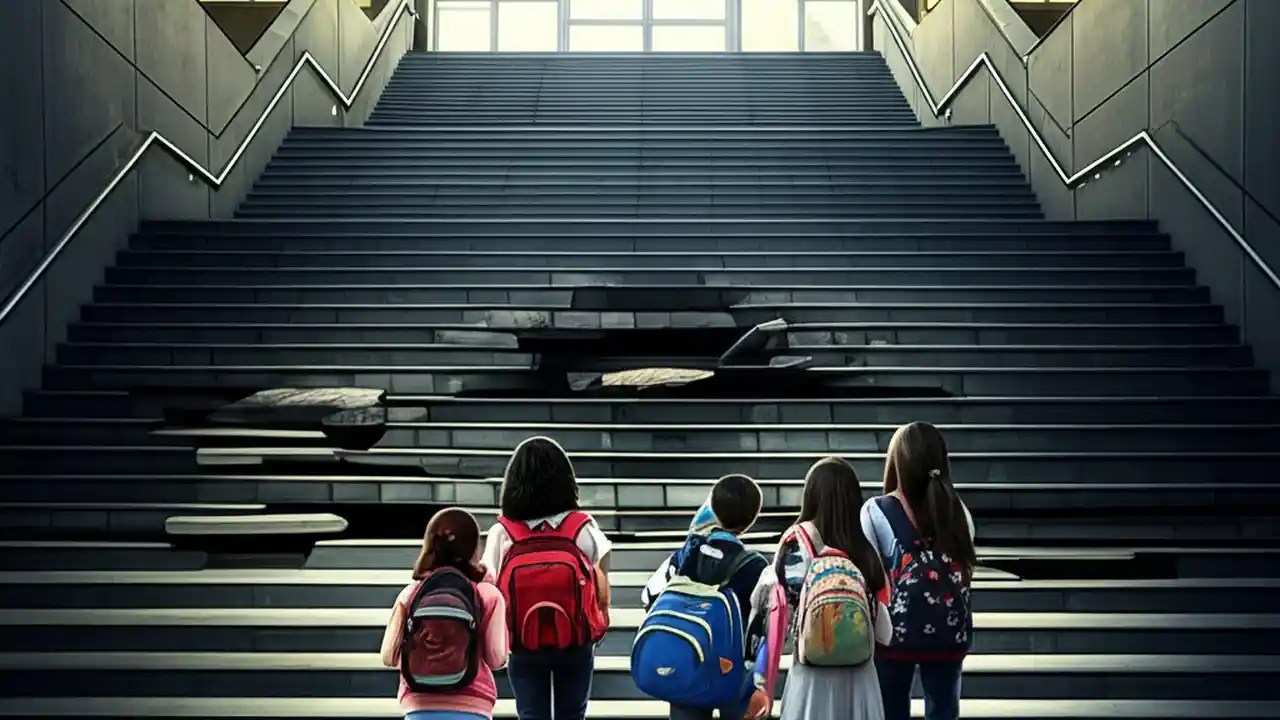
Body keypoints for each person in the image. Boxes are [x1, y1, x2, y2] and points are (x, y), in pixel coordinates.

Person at [481, 436, 611, 720]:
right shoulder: (582, 527)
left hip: (523, 641)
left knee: (530, 713)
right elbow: (601, 570)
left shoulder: (502, 532)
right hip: (575, 639)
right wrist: (600, 615)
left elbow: (488, 584)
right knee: (572, 714)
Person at [756, 457, 891, 720]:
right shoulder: (864, 548)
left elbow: (783, 612)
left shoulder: (797, 542)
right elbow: (884, 629)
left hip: (813, 673)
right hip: (860, 675)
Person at [861, 422, 977, 720]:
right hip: (949, 634)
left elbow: (870, 573)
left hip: (894, 635)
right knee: (944, 709)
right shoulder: (959, 511)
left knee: (891, 710)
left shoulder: (876, 510)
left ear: (897, 461)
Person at [639, 473, 772, 720]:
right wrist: (761, 682)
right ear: (752, 519)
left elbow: (649, 597)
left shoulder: (687, 553)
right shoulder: (755, 567)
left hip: (688, 664)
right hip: (735, 674)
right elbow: (763, 631)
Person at [381, 507, 509, 720]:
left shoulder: (411, 594)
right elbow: (496, 659)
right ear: (472, 547)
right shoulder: (487, 594)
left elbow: (388, 657)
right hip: (472, 705)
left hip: (418, 706)